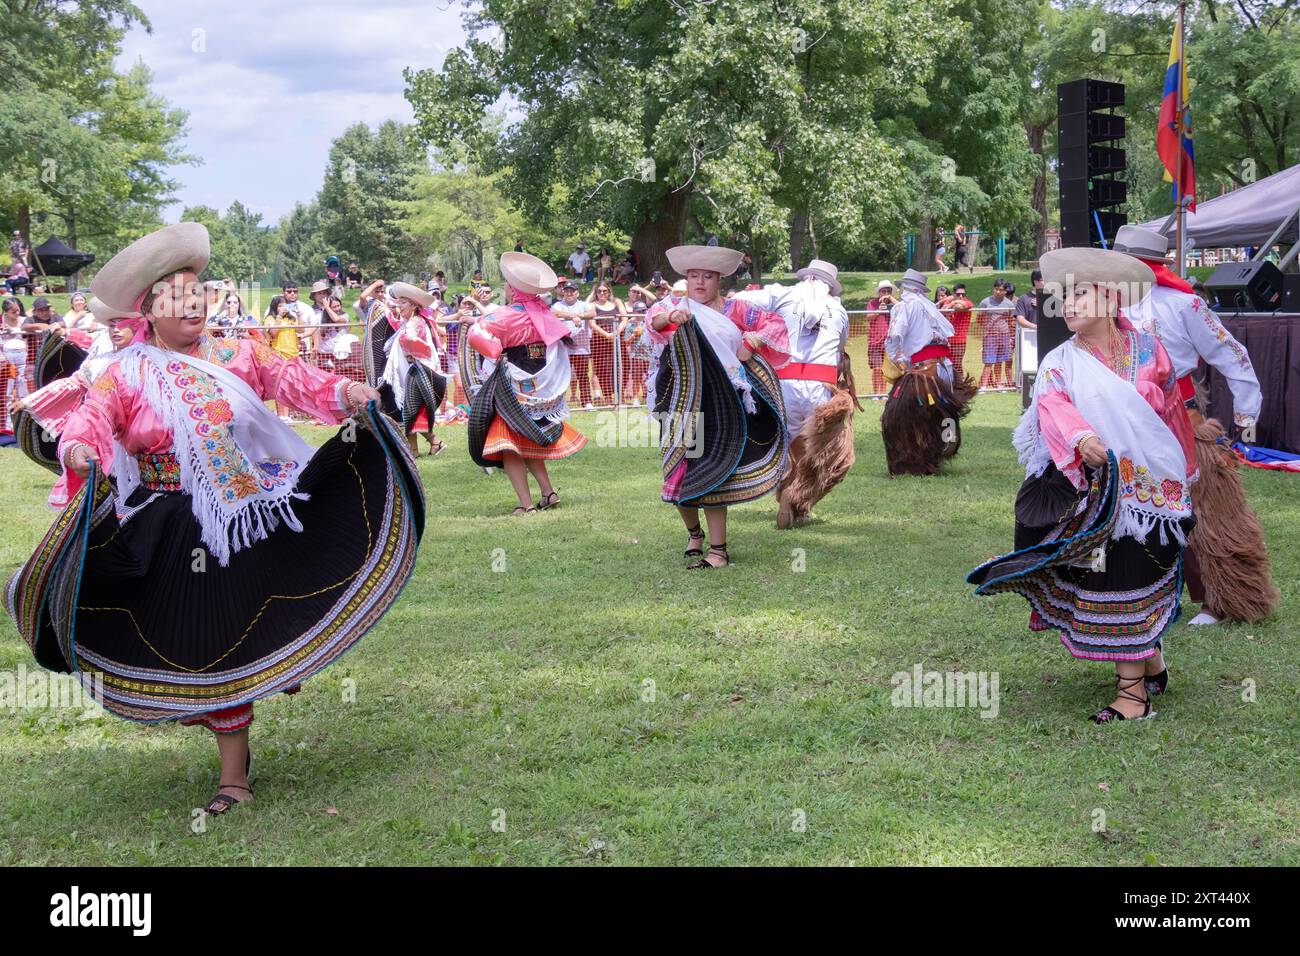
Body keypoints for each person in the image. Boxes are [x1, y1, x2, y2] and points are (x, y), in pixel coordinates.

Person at [5, 222, 423, 813]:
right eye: (176, 297)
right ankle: (203, 709)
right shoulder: (123, 372)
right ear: (148, 310)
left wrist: (345, 396)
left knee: (228, 638)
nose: (192, 304)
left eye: (197, 293)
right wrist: (79, 452)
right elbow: (91, 425)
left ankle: (234, 778)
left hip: (245, 518)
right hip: (166, 525)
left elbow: (293, 380)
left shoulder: (238, 354)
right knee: (187, 638)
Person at [967, 246, 1196, 723]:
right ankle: (1136, 688)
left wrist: (1186, 473)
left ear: (1111, 299)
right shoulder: (1060, 361)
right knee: (1111, 576)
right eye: (1064, 296)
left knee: (1140, 576)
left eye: (1079, 295)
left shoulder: (1151, 351)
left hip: (1155, 492)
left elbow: (1172, 412)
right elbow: (1051, 406)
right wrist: (1082, 437)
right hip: (1099, 491)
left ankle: (1140, 667)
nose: (1067, 305)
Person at [1115, 224, 1277, 626]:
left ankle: (1220, 599)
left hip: (1178, 414)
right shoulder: (1106, 305)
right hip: (1121, 413)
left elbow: (1231, 354)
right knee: (1131, 501)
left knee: (1201, 504)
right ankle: (1137, 594)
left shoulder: (1184, 305)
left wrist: (1246, 418)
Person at [645, 245, 790, 568]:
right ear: (686, 278)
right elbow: (652, 324)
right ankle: (694, 534)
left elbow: (775, 325)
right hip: (680, 401)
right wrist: (671, 317)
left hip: (724, 405)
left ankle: (719, 550)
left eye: (707, 277)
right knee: (680, 468)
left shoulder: (736, 309)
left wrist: (752, 342)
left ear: (718, 280)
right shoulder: (673, 305)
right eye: (694, 276)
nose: (700, 282)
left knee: (715, 471)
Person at [736, 259, 859, 529]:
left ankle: (786, 495)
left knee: (785, 445)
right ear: (830, 285)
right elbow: (840, 349)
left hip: (785, 383)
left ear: (806, 278)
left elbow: (741, 299)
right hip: (821, 387)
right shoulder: (838, 309)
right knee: (815, 449)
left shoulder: (783, 294)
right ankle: (799, 502)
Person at [467, 252, 587, 513]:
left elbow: (477, 334)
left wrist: (494, 349)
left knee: (509, 446)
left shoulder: (507, 316)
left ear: (512, 288)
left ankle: (526, 505)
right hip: (543, 389)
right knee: (529, 442)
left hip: (512, 390)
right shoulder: (546, 313)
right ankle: (548, 492)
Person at [880, 269, 977, 476]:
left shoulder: (905, 306)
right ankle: (937, 454)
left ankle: (915, 462)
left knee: (900, 417)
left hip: (924, 371)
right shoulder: (929, 306)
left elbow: (894, 336)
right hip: (946, 369)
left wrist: (898, 362)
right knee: (940, 413)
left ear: (904, 288)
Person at [374, 281, 449, 457]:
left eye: (403, 303)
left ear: (414, 306)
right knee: (409, 409)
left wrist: (409, 348)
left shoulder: (415, 323)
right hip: (409, 373)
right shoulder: (410, 322)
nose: (398, 306)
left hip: (416, 373)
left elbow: (415, 344)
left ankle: (430, 444)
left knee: (411, 409)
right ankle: (420, 448)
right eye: (398, 302)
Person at [551, 281, 595, 409]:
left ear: (577, 293)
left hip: (581, 348)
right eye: (567, 291)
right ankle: (559, 403)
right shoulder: (558, 304)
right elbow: (556, 313)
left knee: (583, 375)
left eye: (572, 291)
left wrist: (580, 316)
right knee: (561, 376)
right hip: (563, 348)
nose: (569, 293)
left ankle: (587, 402)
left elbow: (593, 313)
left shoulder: (584, 305)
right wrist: (573, 317)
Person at [587, 281, 626, 405]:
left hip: (617, 340)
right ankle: (608, 399)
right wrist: (607, 335)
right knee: (603, 370)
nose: (602, 293)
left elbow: (625, 318)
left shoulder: (617, 302)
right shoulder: (592, 305)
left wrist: (616, 332)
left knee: (621, 367)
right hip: (600, 342)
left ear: (609, 291)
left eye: (605, 290)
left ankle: (621, 398)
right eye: (599, 291)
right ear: (596, 292)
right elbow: (592, 324)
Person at [976, 280, 1016, 388]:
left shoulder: (1009, 304)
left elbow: (1010, 320)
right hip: (990, 336)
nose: (998, 292)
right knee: (989, 362)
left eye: (1001, 290)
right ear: (993, 288)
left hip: (1004, 336)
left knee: (1000, 361)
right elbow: (979, 319)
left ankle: (999, 384)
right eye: (996, 289)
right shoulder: (985, 302)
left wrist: (1010, 336)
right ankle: (983, 386)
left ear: (1005, 291)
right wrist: (989, 328)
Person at [866, 280, 895, 395]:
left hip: (889, 343)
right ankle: (875, 393)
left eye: (888, 291)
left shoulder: (894, 305)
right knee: (876, 369)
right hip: (875, 341)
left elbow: (902, 308)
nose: (886, 293)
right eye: (883, 291)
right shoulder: (872, 303)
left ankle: (883, 393)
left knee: (885, 370)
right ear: (879, 292)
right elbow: (868, 317)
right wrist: (879, 310)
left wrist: (890, 300)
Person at [947, 282, 974, 376]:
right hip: (946, 340)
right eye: (958, 294)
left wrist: (953, 302)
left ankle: (959, 385)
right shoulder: (949, 302)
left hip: (959, 341)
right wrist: (950, 303)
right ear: (953, 294)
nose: (961, 296)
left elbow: (959, 307)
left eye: (963, 294)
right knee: (947, 364)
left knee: (957, 364)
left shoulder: (968, 302)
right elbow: (943, 310)